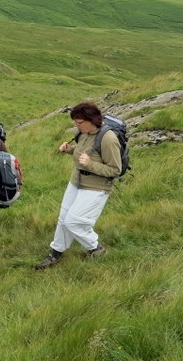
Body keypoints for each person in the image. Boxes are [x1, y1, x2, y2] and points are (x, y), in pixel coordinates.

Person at [35, 101, 121, 270]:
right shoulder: (83, 133)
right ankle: (56, 252)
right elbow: (84, 152)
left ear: (91, 120)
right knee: (63, 219)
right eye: (75, 122)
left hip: (96, 187)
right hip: (76, 181)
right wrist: (70, 150)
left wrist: (89, 165)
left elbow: (115, 169)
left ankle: (95, 248)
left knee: (73, 222)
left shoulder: (108, 138)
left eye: (79, 122)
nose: (76, 125)